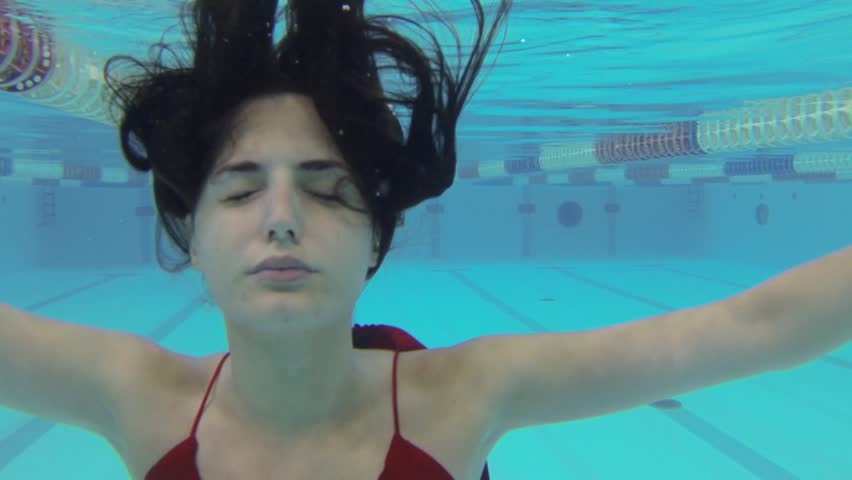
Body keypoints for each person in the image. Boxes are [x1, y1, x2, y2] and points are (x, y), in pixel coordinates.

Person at [1, 0, 851, 479]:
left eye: (328, 187)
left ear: (378, 232)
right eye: (243, 186)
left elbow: (759, 327)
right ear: (189, 227)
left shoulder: (466, 395)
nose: (284, 215)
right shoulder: (136, 394)